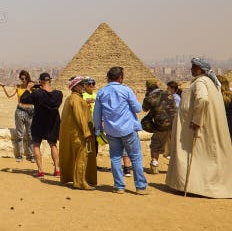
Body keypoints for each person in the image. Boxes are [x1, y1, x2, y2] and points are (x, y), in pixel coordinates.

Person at [166, 58, 232, 198]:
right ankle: (193, 186)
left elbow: (203, 99)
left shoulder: (201, 82)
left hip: (197, 128)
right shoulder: (208, 82)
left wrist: (196, 121)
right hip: (198, 127)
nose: (191, 69)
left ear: (200, 69)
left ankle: (197, 187)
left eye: (193, 67)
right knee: (201, 157)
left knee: (196, 156)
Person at [93, 66, 148, 195]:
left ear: (108, 78)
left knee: (115, 158)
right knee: (136, 157)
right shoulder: (126, 90)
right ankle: (140, 187)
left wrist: (98, 129)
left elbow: (96, 114)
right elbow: (138, 109)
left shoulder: (101, 92)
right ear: (120, 78)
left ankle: (119, 186)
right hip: (128, 129)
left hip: (111, 131)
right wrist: (134, 97)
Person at [19, 72, 62, 178]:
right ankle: (57, 170)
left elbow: (23, 100)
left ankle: (40, 171)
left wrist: (28, 89)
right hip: (53, 123)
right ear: (50, 81)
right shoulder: (58, 94)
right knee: (53, 145)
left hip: (39, 123)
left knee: (36, 145)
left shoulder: (37, 94)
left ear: (40, 81)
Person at [58, 76, 96, 190]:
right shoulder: (75, 99)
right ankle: (80, 182)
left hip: (75, 133)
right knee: (82, 157)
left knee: (78, 157)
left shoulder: (74, 98)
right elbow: (80, 117)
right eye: (81, 85)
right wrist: (86, 132)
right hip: (80, 134)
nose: (84, 86)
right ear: (75, 86)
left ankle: (78, 180)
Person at [141, 80, 176, 174]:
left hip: (161, 125)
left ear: (148, 88)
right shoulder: (168, 93)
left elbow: (144, 109)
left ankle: (154, 165)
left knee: (155, 144)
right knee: (175, 145)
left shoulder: (150, 98)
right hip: (175, 123)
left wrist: (147, 96)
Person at [2, 70, 34, 162]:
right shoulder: (18, 87)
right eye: (22, 78)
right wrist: (3, 87)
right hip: (20, 111)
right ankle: (20, 155)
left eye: (25, 78)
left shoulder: (32, 87)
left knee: (30, 134)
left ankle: (31, 155)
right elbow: (9, 95)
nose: (23, 80)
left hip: (30, 112)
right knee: (20, 135)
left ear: (28, 78)